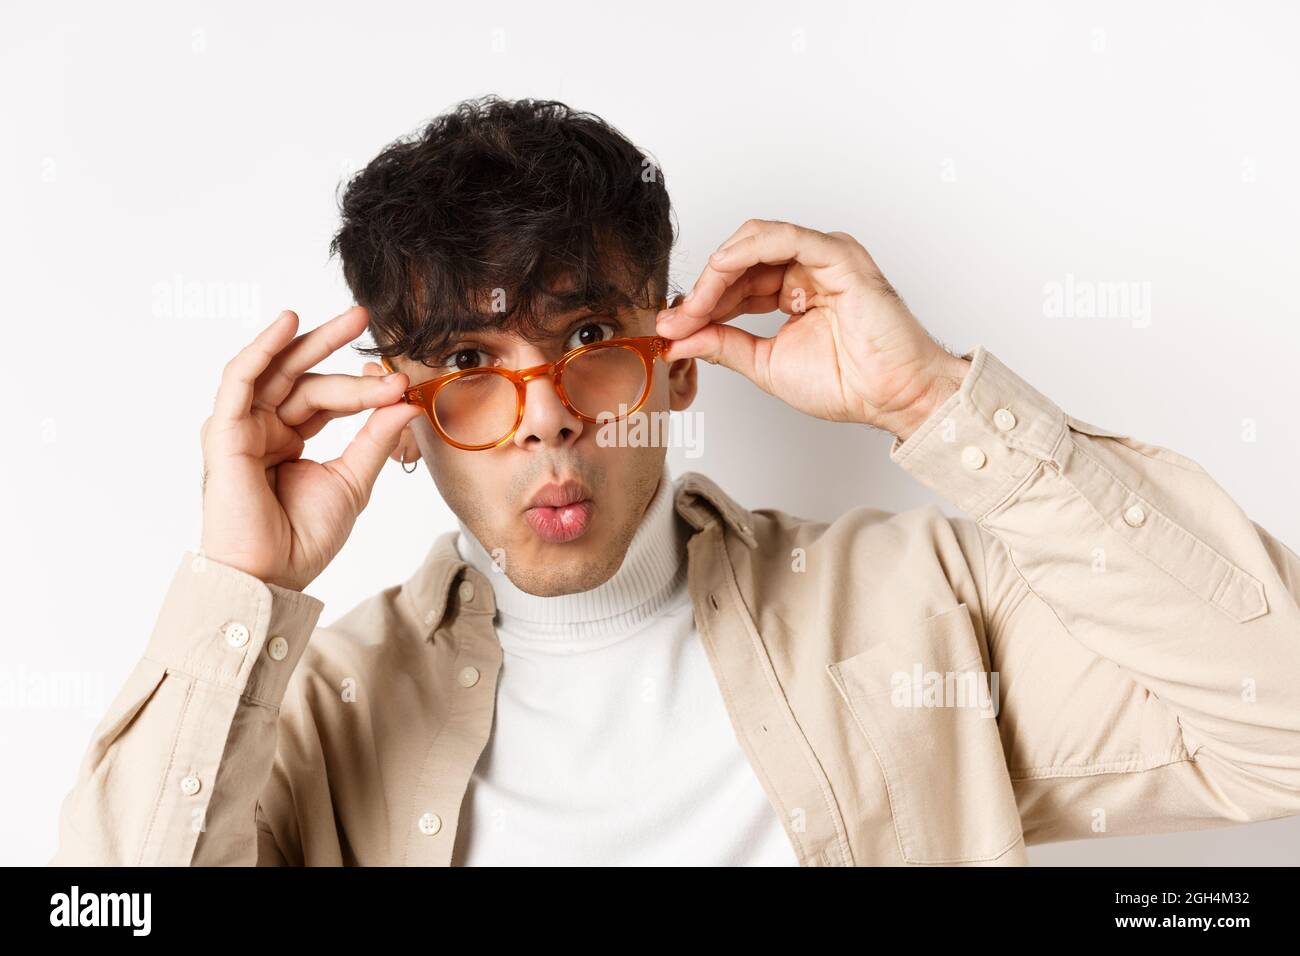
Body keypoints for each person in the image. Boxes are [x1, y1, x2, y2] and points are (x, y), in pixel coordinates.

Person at [51, 96, 1300, 866]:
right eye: (472, 364)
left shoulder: (918, 608)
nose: (545, 422)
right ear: (403, 410)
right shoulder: (317, 705)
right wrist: (241, 588)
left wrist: (933, 401)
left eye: (589, 343)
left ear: (675, 366)